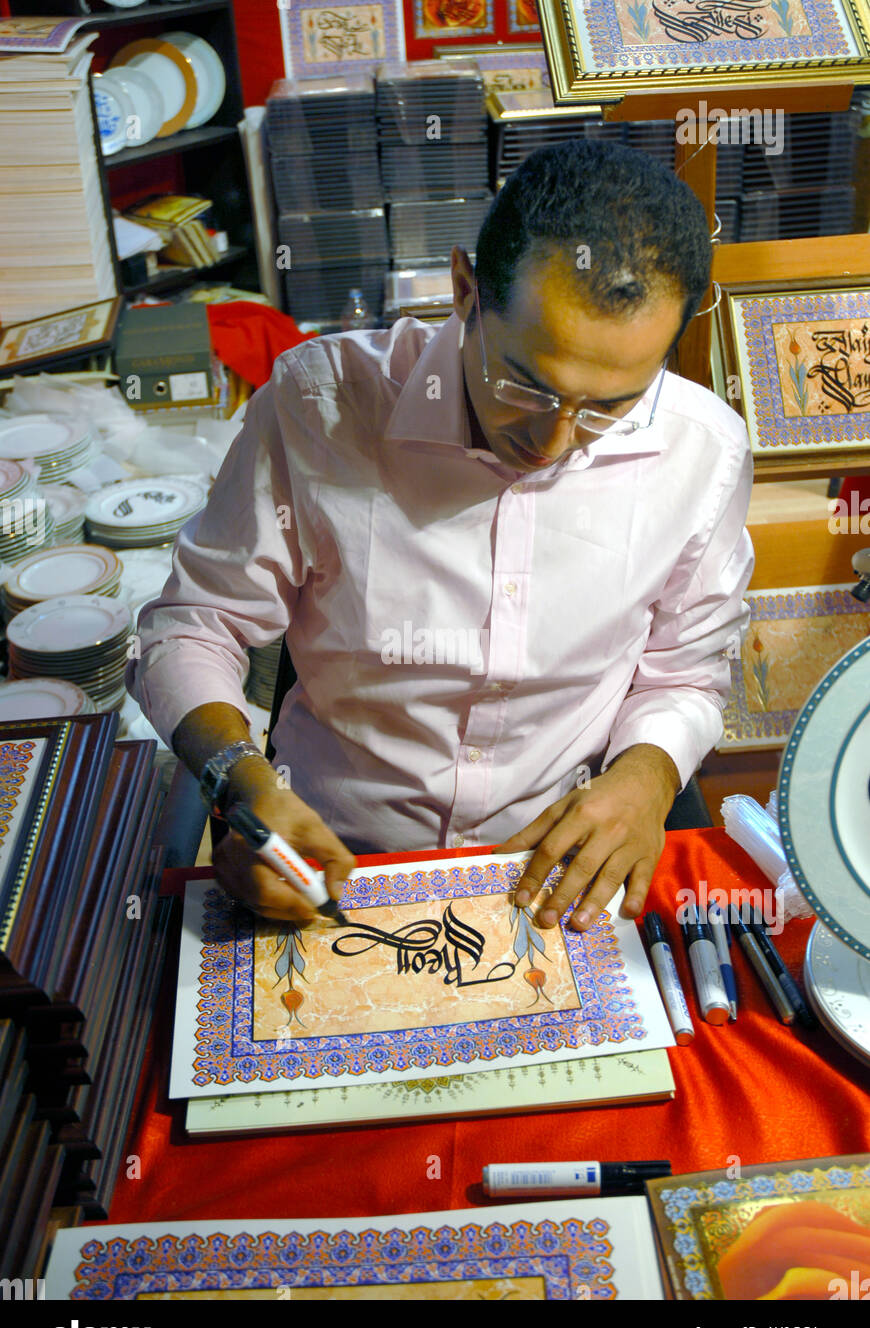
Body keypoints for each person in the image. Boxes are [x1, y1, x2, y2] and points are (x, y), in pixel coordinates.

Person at [126, 139, 753, 936]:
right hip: (332, 859)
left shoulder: (703, 451)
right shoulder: (322, 405)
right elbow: (193, 624)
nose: (557, 439)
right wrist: (237, 784)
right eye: (525, 383)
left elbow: (686, 673)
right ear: (464, 290)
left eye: (611, 406)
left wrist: (649, 777)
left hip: (552, 869)